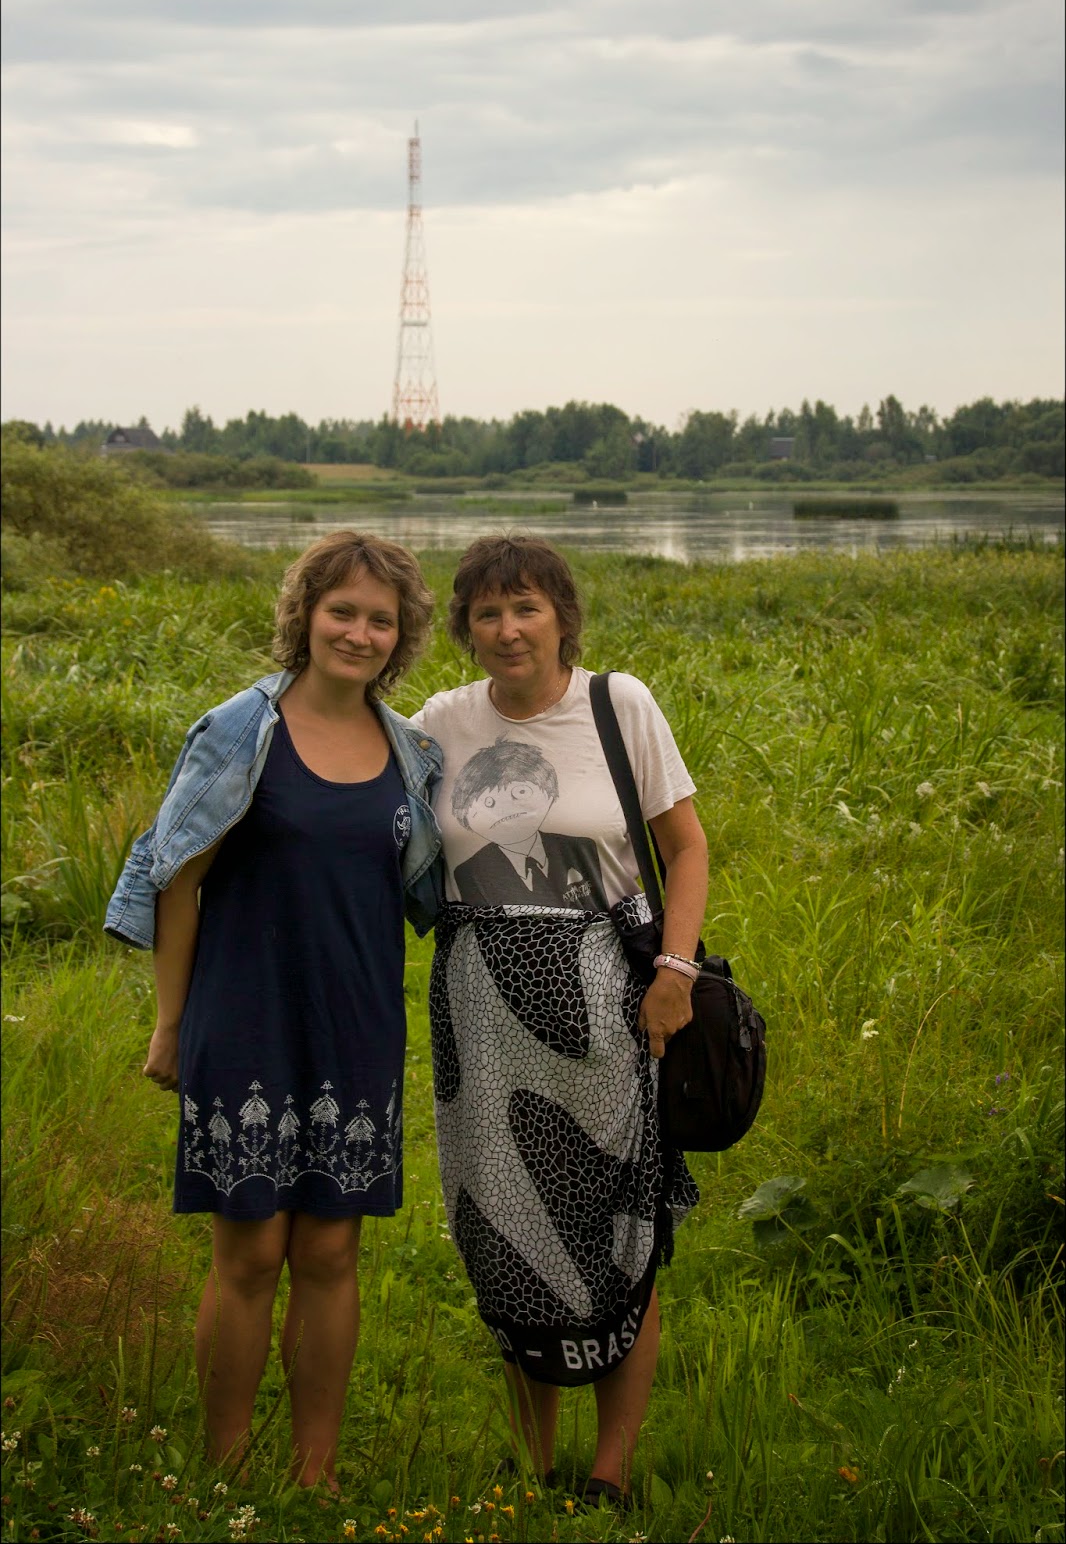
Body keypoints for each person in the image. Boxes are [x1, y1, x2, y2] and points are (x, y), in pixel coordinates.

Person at [104, 531, 441, 1490]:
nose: (359, 633)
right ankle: (227, 1467)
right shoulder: (239, 730)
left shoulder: (411, 751)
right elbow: (178, 879)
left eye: (381, 620)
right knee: (250, 1249)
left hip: (357, 1024)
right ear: (305, 615)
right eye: (342, 612)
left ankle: (314, 1474)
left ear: (402, 636)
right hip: (245, 1016)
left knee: (332, 1248)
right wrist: (171, 1024)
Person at [410, 535, 708, 1509]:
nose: (508, 629)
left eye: (526, 607)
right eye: (487, 613)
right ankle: (530, 1460)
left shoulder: (621, 706)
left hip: (613, 1007)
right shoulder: (439, 722)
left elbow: (687, 848)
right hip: (480, 1018)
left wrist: (676, 971)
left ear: (562, 616)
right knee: (506, 1227)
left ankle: (610, 1469)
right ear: (465, 627)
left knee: (623, 1228)